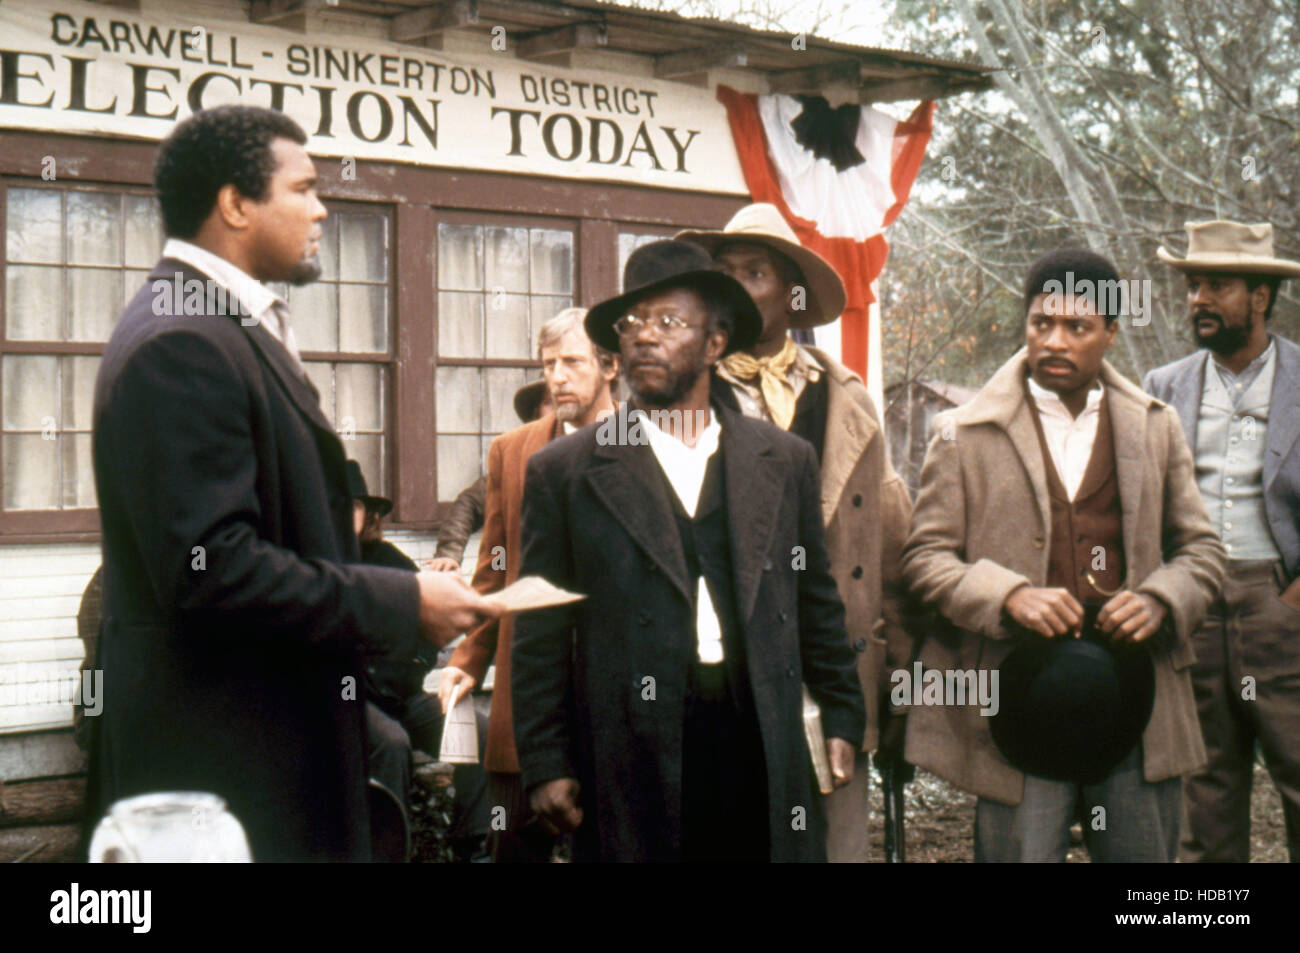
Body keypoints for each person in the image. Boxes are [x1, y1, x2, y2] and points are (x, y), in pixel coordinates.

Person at [86, 105, 500, 862]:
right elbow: (211, 571)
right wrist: (405, 600)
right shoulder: (180, 343)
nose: (322, 207)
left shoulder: (228, 327)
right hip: (225, 788)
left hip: (270, 766)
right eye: (303, 188)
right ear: (235, 203)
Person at [511, 240, 865, 862]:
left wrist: (841, 713)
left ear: (714, 344)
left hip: (755, 731)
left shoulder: (782, 460)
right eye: (632, 324)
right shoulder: (566, 472)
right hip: (635, 746)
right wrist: (545, 761)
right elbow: (540, 626)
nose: (645, 337)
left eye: (669, 322)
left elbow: (814, 597)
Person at [901, 247, 1225, 862]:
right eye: (1040, 323)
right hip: (1019, 704)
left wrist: (1162, 598)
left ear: (1109, 333)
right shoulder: (964, 432)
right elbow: (924, 558)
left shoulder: (1155, 427)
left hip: (1138, 701)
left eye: (1077, 327)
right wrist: (1007, 595)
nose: (1054, 341)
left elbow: (1203, 550)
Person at [678, 203, 914, 862]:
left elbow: (887, 543)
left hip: (833, 663)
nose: (738, 287)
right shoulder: (682, 396)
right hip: (723, 671)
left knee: (836, 843)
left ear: (793, 293)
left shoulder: (846, 398)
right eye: (725, 274)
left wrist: (897, 678)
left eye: (755, 272)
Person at [1143, 220, 1300, 862]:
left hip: (1281, 604)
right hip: (1195, 609)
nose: (1198, 300)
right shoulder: (1164, 387)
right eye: (1192, 285)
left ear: (1259, 298)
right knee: (1203, 793)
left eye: (1218, 286)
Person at [438, 309, 617, 861]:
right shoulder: (512, 451)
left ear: (609, 366)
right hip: (529, 690)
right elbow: (495, 569)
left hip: (615, 687)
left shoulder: (644, 447)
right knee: (514, 843)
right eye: (548, 365)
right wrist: (467, 660)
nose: (557, 377)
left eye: (571, 362)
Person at [344, 460, 490, 862]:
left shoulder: (393, 562)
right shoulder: (317, 567)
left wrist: (408, 667)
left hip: (402, 692)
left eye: (353, 506)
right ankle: (390, 852)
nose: (343, 514)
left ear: (368, 514)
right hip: (350, 700)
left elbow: (430, 636)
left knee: (476, 729)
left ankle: (472, 846)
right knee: (392, 743)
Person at [427, 380, 552, 573]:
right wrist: (449, 553)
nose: (559, 411)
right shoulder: (516, 462)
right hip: (523, 577)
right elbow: (470, 503)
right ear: (536, 412)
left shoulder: (598, 458)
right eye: (549, 403)